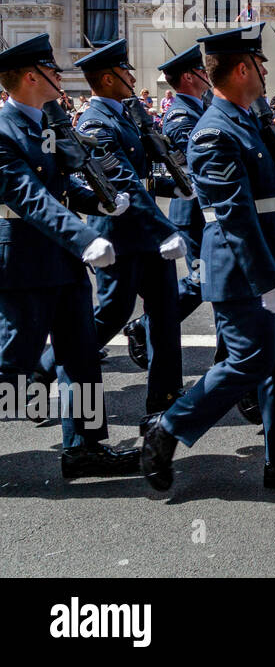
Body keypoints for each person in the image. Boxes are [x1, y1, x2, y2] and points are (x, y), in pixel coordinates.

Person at [140, 24, 275, 491]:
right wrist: (269, 281)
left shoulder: (248, 119)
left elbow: (264, 197)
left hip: (274, 258)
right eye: (261, 63)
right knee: (249, 361)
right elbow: (233, 216)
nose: (268, 71)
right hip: (243, 270)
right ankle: (169, 426)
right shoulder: (214, 131)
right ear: (244, 68)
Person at [0, 34, 140, 479]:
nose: (60, 77)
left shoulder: (47, 122)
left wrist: (99, 201)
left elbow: (62, 186)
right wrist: (84, 238)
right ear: (29, 77)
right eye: (51, 71)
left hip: (61, 259)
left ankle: (85, 447)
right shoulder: (4, 132)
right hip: (24, 263)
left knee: (80, 357)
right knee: (13, 363)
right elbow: (31, 198)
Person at [68, 40, 189, 419]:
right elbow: (122, 179)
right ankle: (49, 363)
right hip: (119, 234)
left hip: (148, 230)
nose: (133, 78)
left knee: (165, 314)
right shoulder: (94, 123)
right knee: (112, 314)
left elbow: (145, 176)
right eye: (125, 72)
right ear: (107, 78)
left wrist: (182, 186)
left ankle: (165, 399)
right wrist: (165, 228)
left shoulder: (125, 116)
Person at [122, 47, 224, 393]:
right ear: (189, 77)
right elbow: (192, 166)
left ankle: (147, 327)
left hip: (204, 210)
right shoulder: (181, 115)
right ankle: (144, 327)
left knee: (208, 281)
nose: (207, 76)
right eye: (200, 71)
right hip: (193, 212)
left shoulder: (200, 108)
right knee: (204, 281)